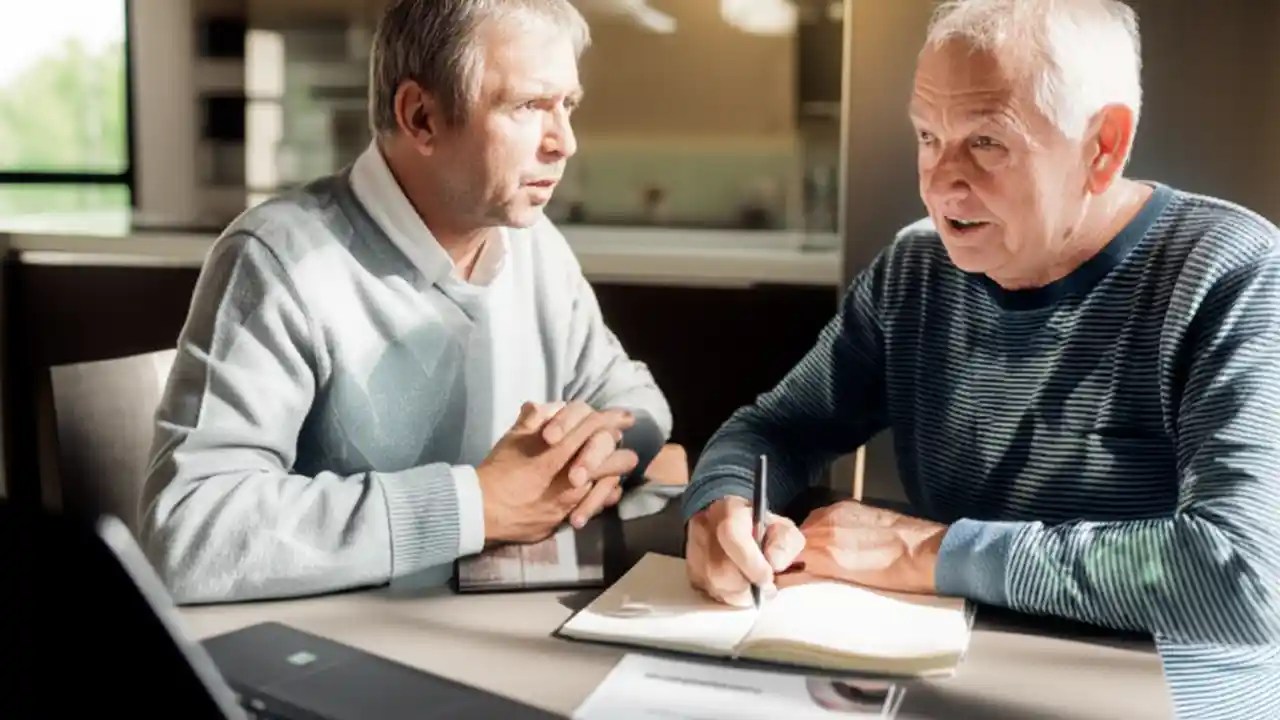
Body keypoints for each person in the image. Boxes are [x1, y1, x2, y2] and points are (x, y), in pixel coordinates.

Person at [681, 0, 1279, 716]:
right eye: (928, 137)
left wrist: (928, 553)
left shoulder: (1235, 276)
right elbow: (776, 429)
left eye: (987, 143)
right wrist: (722, 506)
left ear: (1103, 146)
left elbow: (1244, 578)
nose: (939, 183)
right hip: (957, 683)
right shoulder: (916, 270)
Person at [140, 0, 680, 605]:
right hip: (335, 661)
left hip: (495, 636)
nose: (565, 142)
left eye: (568, 105)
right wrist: (476, 504)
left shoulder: (534, 247)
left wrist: (596, 456)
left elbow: (635, 403)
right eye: (530, 106)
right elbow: (186, 533)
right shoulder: (278, 257)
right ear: (421, 116)